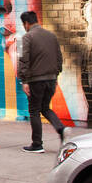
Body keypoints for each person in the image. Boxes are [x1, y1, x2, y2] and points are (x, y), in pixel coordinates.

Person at [17, 11, 64, 152]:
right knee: (45, 108)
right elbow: (59, 58)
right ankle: (61, 129)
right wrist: (56, 75)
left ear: (26, 23)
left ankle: (37, 144)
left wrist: (24, 81)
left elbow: (23, 60)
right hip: (51, 79)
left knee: (34, 110)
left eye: (23, 24)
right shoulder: (52, 36)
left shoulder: (25, 38)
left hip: (35, 81)